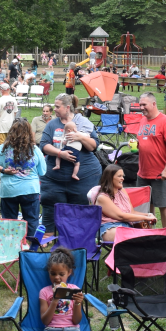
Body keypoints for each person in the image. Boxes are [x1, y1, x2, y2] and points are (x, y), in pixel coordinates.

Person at [40, 94, 103, 234]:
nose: (54, 109)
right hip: (54, 178)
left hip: (84, 177)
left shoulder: (84, 123)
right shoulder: (52, 124)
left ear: (67, 107)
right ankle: (49, 233)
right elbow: (43, 145)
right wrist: (59, 153)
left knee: (80, 207)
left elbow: (94, 146)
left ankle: (77, 235)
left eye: (57, 106)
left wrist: (80, 136)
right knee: (50, 202)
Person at [0, 119, 47, 243]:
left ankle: (10, 244)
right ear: (29, 132)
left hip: (9, 190)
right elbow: (42, 172)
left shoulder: (2, 148)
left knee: (9, 220)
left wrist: (3, 170)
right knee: (32, 219)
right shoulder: (34, 150)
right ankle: (32, 247)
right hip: (30, 190)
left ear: (11, 131)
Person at [134, 92, 166, 229]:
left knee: (163, 205)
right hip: (143, 172)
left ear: (153, 104)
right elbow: (144, 140)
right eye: (140, 105)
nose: (141, 107)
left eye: (144, 105)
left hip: (160, 173)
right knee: (146, 205)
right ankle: (149, 233)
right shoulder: (142, 120)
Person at [0, 82, 19, 147]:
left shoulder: (0, 100)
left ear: (2, 90)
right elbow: (15, 112)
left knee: (0, 146)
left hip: (1, 126)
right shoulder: (13, 99)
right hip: (11, 124)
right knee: (10, 144)